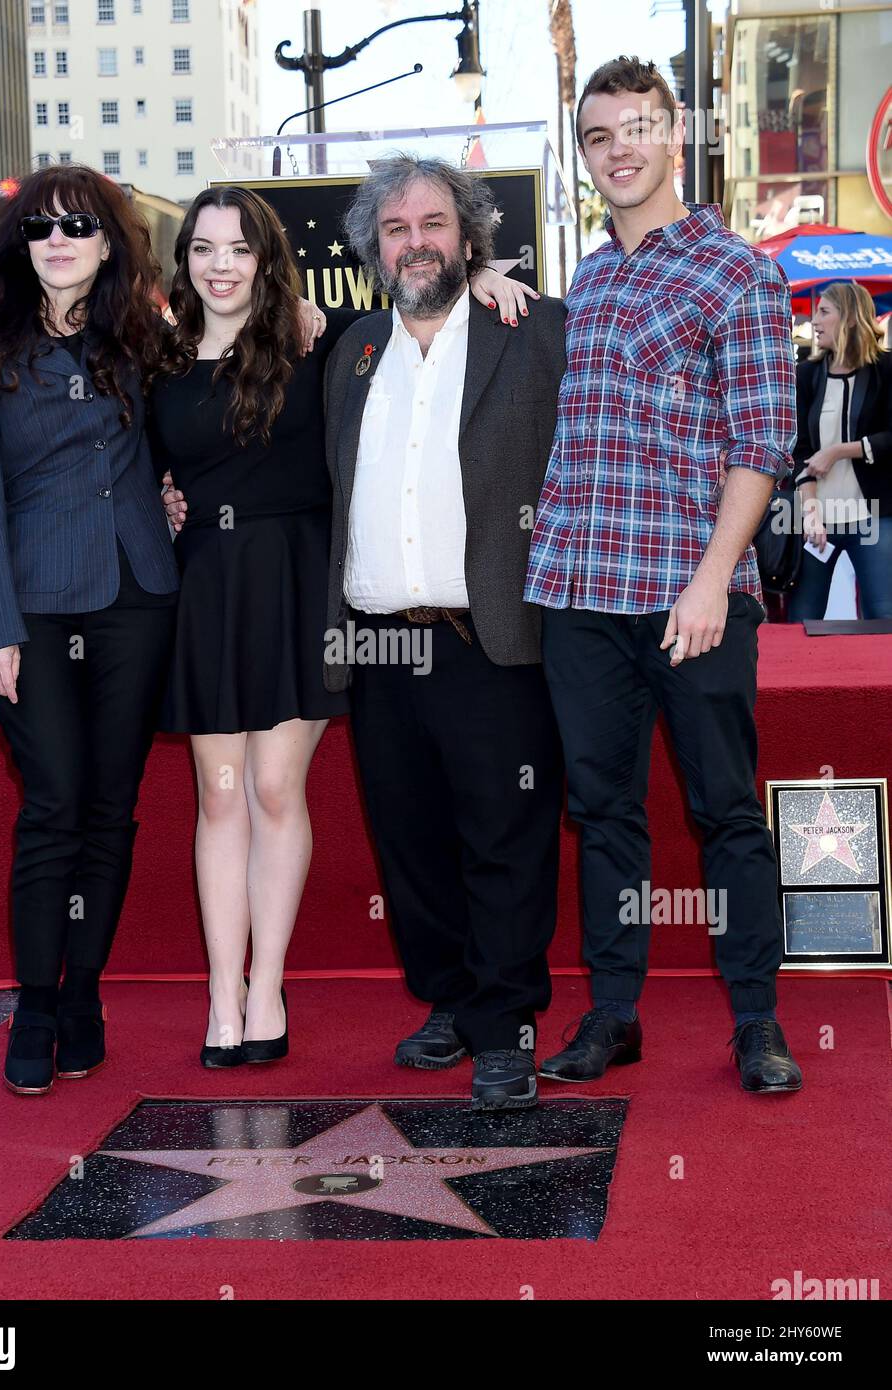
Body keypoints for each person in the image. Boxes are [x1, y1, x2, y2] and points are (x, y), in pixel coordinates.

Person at [157, 184, 536, 1070]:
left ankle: (270, 989)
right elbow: (137, 463)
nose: (221, 264)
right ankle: (224, 994)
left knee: (279, 793)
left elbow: (428, 311)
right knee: (221, 796)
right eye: (204, 248)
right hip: (211, 596)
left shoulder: (317, 341)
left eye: (240, 248)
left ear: (267, 258)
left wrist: (484, 278)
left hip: (302, 589)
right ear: (184, 261)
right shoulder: (158, 358)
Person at [525, 56, 803, 1095]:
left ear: (672, 134)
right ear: (585, 156)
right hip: (579, 595)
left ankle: (755, 1020)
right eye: (598, 137)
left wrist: (709, 578)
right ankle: (611, 1014)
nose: (618, 149)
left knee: (725, 809)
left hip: (693, 595)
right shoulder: (587, 280)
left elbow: (760, 444)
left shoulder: (737, 270)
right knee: (600, 813)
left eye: (635, 128)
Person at [0, 165, 182, 1096]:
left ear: (110, 242)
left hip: (136, 597)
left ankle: (84, 995)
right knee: (54, 803)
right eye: (40, 229)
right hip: (30, 607)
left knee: (111, 809)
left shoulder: (142, 341)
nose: (60, 240)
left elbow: (242, 355)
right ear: (19, 248)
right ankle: (34, 1007)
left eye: (79, 225)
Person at [321, 154, 567, 1111]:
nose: (414, 242)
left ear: (467, 236)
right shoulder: (351, 354)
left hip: (489, 636)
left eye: (431, 224)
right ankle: (451, 1000)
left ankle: (506, 1023)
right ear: (372, 249)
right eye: (395, 229)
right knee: (410, 840)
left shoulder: (530, 330)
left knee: (506, 836)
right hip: (382, 642)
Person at [789, 281, 892, 620]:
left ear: (849, 317)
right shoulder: (806, 375)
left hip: (874, 516)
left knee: (883, 616)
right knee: (803, 617)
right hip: (819, 519)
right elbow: (799, 449)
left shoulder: (885, 371)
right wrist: (811, 514)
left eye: (823, 312)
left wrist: (838, 451)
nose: (814, 320)